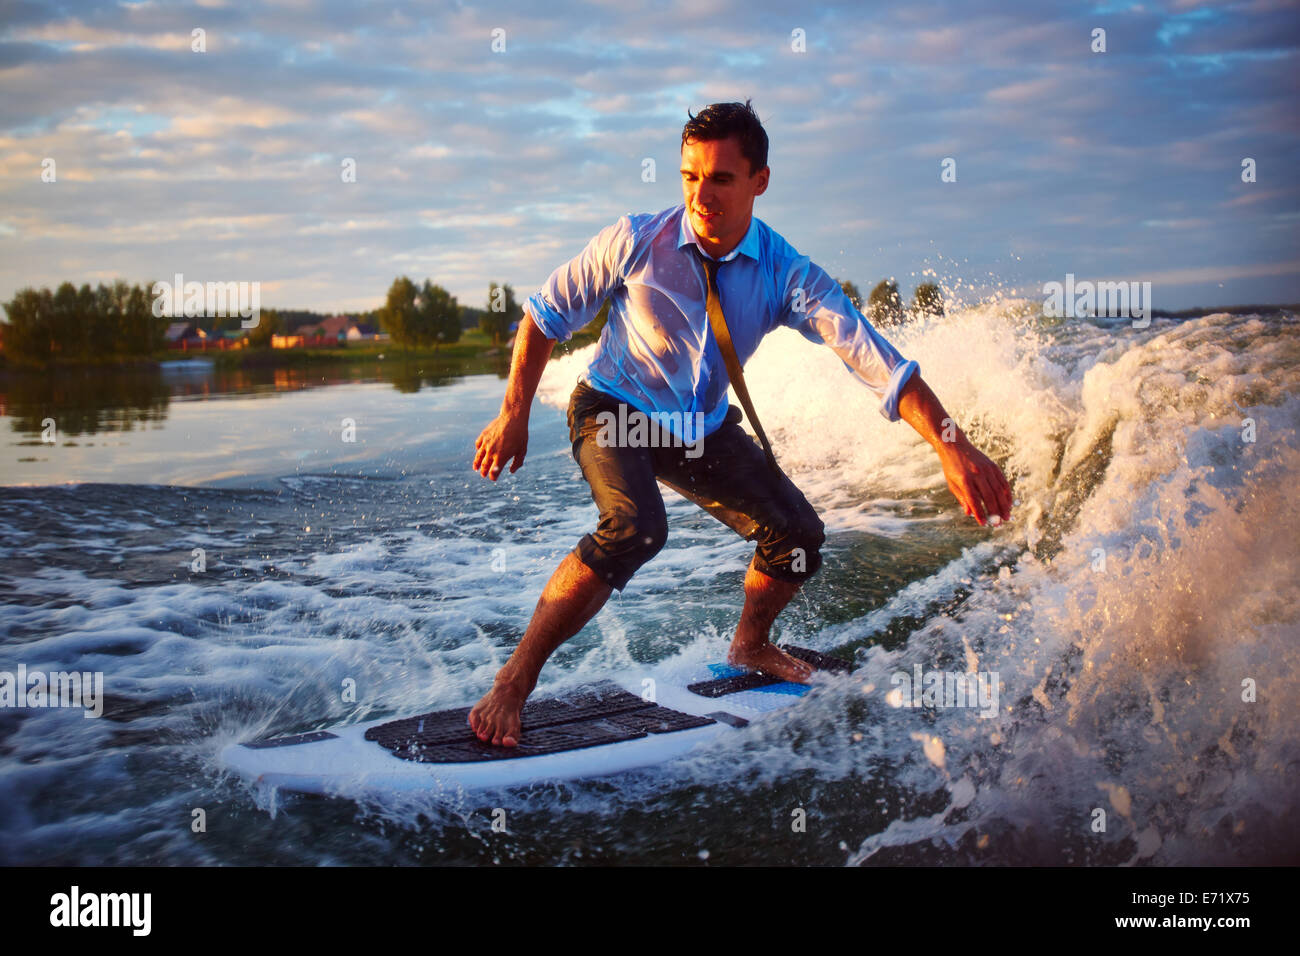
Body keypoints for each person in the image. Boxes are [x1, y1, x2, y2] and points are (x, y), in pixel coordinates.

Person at [468, 100, 1012, 747]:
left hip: (698, 425)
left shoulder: (786, 272)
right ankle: (513, 681)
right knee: (636, 529)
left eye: (721, 178)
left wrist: (954, 445)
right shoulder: (635, 241)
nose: (701, 195)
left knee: (800, 536)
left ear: (760, 181)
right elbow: (542, 317)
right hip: (614, 408)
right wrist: (513, 414)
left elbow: (877, 360)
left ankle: (750, 647)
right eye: (690, 176)